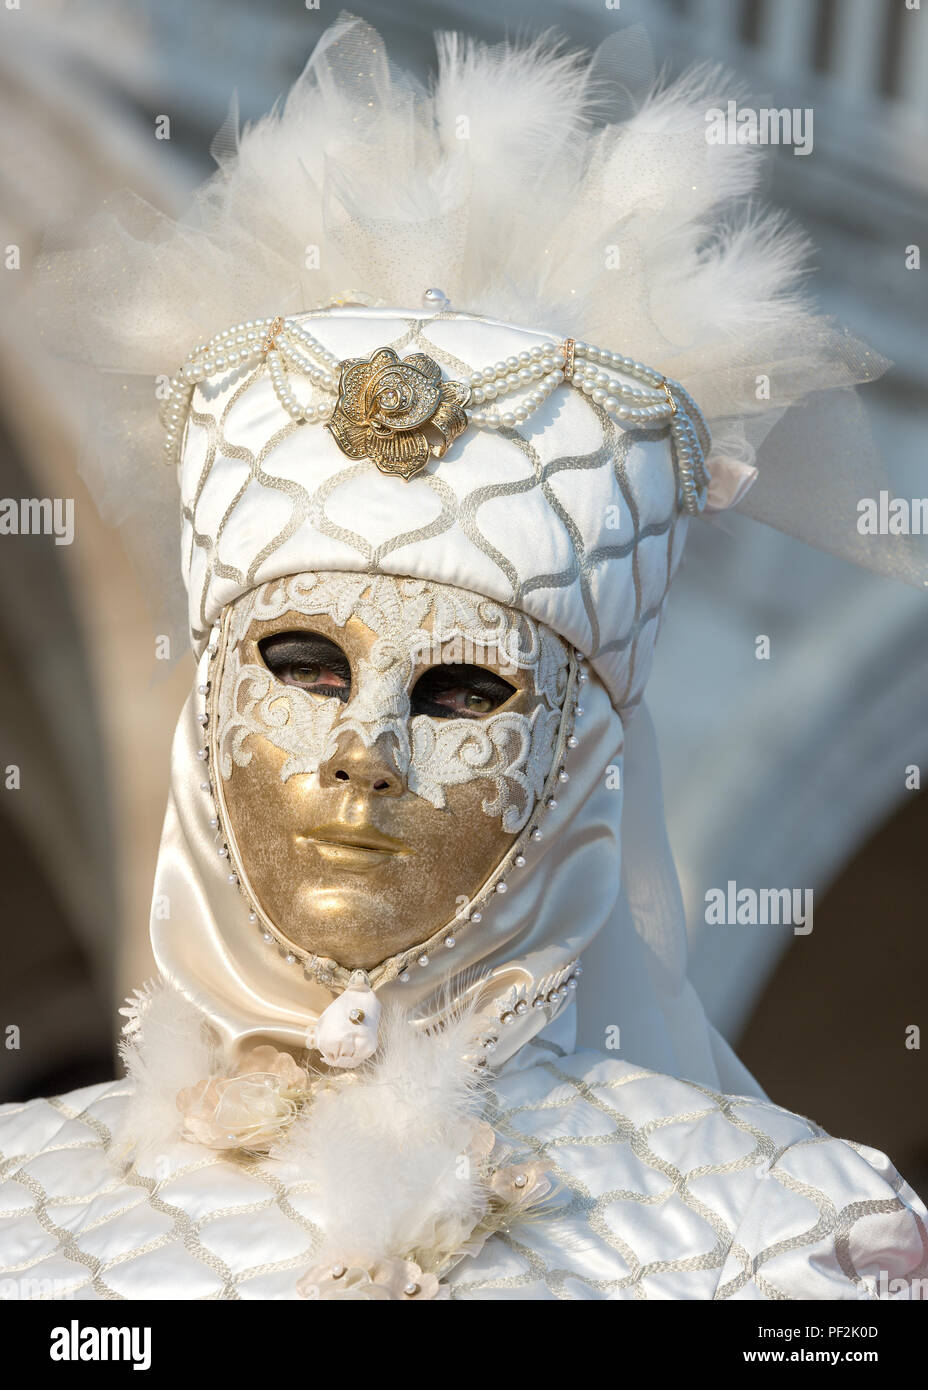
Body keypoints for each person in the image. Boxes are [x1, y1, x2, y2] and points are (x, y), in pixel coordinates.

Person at [0, 15, 924, 1301]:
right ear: (208, 710)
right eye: (304, 665)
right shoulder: (19, 1209)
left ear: (574, 761)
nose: (363, 753)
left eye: (461, 691)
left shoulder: (786, 1241)